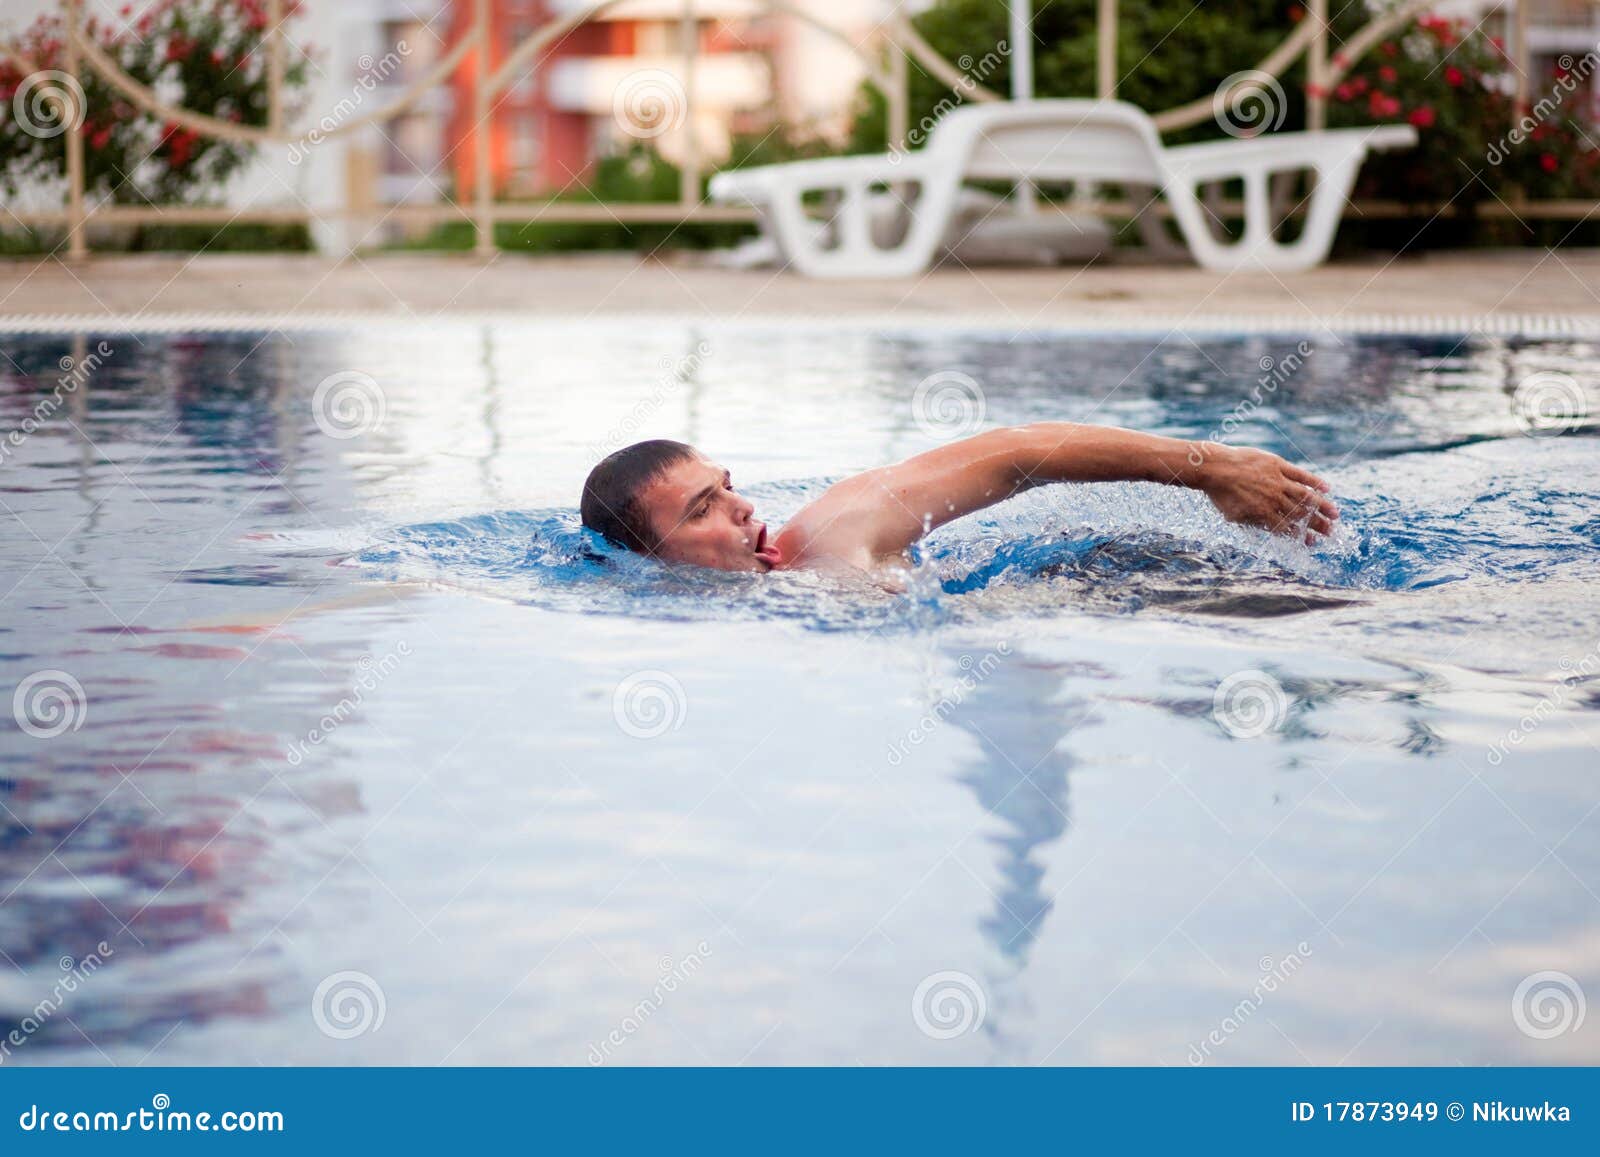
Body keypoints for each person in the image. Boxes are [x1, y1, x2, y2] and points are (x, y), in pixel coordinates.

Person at [580, 424, 1338, 575]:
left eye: (727, 489)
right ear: (643, 563)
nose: (742, 509)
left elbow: (1014, 456)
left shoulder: (832, 534)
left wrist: (1209, 467)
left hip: (1134, 589)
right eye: (701, 510)